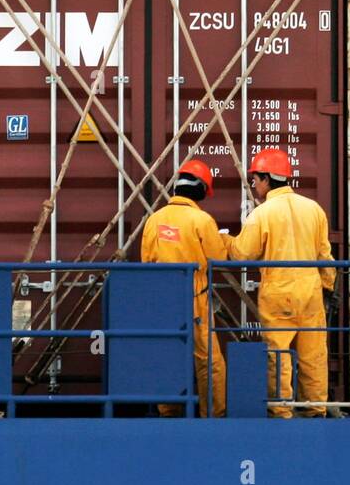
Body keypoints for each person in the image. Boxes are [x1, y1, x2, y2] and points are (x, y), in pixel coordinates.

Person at [228, 148, 335, 418]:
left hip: (279, 295)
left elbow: (242, 253)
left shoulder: (263, 214)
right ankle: (316, 410)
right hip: (311, 293)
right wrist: (328, 287)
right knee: (314, 355)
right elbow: (325, 255)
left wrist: (223, 240)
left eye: (255, 179)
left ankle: (282, 412)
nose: (254, 184)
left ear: (266, 178)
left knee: (278, 356)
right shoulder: (313, 209)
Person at [140, 157, 229, 417]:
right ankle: (213, 413)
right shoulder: (201, 220)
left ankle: (168, 410)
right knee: (209, 360)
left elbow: (146, 260)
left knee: (167, 353)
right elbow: (219, 258)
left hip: (163, 298)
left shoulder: (154, 220)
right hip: (195, 299)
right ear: (200, 188)